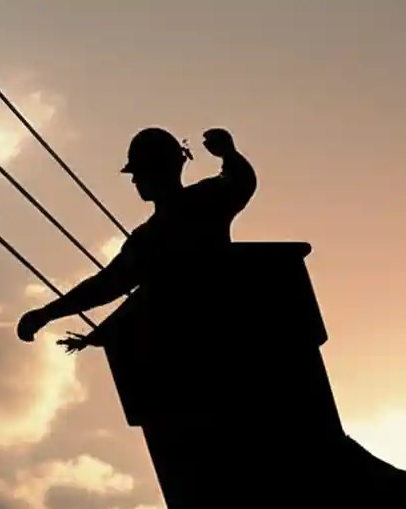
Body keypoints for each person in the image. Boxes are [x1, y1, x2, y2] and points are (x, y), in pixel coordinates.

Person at [16, 126, 257, 350]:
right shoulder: (194, 206)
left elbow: (106, 285)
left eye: (139, 172)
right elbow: (105, 285)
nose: (134, 180)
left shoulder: (193, 208)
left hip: (205, 325)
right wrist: (47, 314)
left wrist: (229, 154)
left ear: (158, 170)